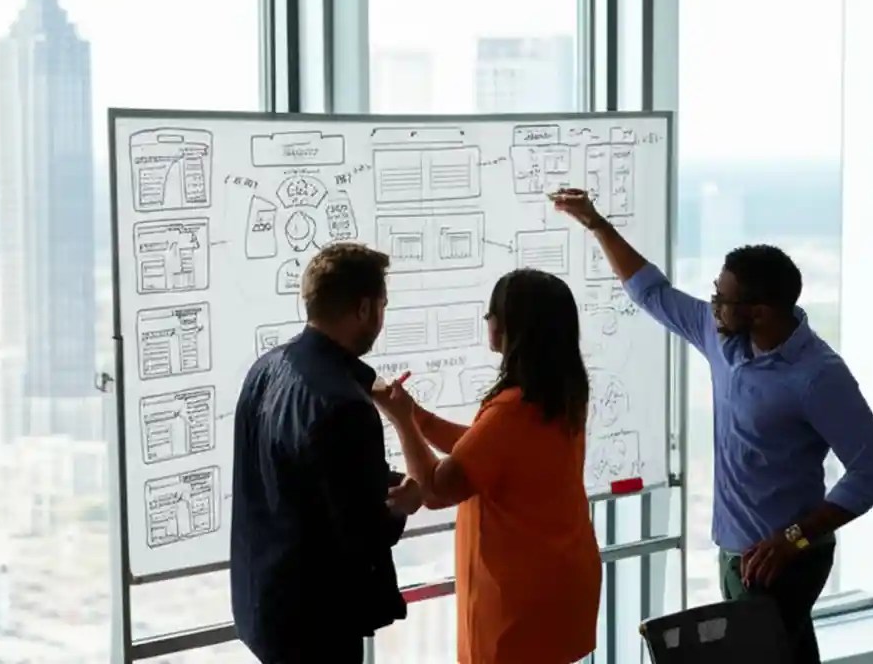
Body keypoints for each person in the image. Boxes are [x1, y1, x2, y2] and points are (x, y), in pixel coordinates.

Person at [550, 188, 873, 664]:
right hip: (738, 554)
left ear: (760, 312)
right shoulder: (722, 336)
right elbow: (652, 291)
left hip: (785, 560)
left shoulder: (817, 376)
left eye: (722, 298)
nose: (711, 304)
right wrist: (597, 224)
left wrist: (792, 538)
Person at [374, 269, 602, 664]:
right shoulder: (559, 395)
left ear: (513, 326)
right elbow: (486, 449)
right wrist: (418, 417)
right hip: (562, 588)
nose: (487, 322)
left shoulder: (512, 410)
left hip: (516, 606)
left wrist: (401, 420)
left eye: (492, 313)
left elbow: (435, 488)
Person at [230, 242, 422, 664]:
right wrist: (404, 503)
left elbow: (295, 474)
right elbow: (365, 534)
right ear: (364, 308)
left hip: (263, 602)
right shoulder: (345, 404)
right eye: (383, 306)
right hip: (317, 623)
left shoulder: (265, 368)